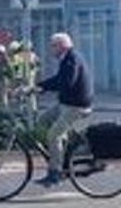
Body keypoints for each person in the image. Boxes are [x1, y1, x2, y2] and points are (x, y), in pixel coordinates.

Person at [35, 32, 94, 188]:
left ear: (62, 46)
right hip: (66, 103)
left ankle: (55, 172)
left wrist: (42, 88)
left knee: (53, 134)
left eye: (53, 46)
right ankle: (61, 151)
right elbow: (58, 79)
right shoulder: (67, 58)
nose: (51, 49)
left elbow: (67, 82)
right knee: (41, 121)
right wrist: (39, 87)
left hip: (76, 106)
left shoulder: (72, 59)